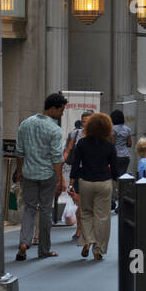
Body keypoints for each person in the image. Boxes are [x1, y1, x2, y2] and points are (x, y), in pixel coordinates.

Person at [13, 92, 67, 261]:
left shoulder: (25, 124)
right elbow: (57, 158)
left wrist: (20, 170)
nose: (62, 113)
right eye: (61, 110)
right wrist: (59, 179)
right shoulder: (55, 129)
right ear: (53, 108)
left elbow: (19, 151)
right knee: (45, 211)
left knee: (29, 208)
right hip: (47, 174)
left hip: (28, 173)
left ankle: (24, 242)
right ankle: (44, 249)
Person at [70, 112, 117, 261]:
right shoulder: (109, 145)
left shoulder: (82, 143)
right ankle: (99, 248)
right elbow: (115, 169)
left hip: (86, 181)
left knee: (86, 213)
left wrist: (72, 181)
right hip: (103, 181)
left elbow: (76, 164)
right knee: (102, 217)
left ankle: (88, 239)